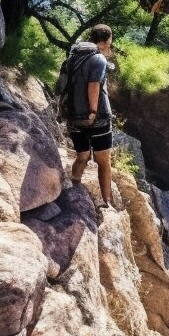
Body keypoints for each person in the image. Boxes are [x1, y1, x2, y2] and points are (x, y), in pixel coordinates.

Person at [66, 25, 117, 210]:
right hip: (97, 118)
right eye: (110, 39)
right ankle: (107, 203)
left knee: (82, 156)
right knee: (103, 161)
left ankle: (74, 190)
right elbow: (94, 85)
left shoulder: (73, 57)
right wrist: (93, 112)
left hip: (74, 116)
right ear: (106, 39)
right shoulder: (98, 58)